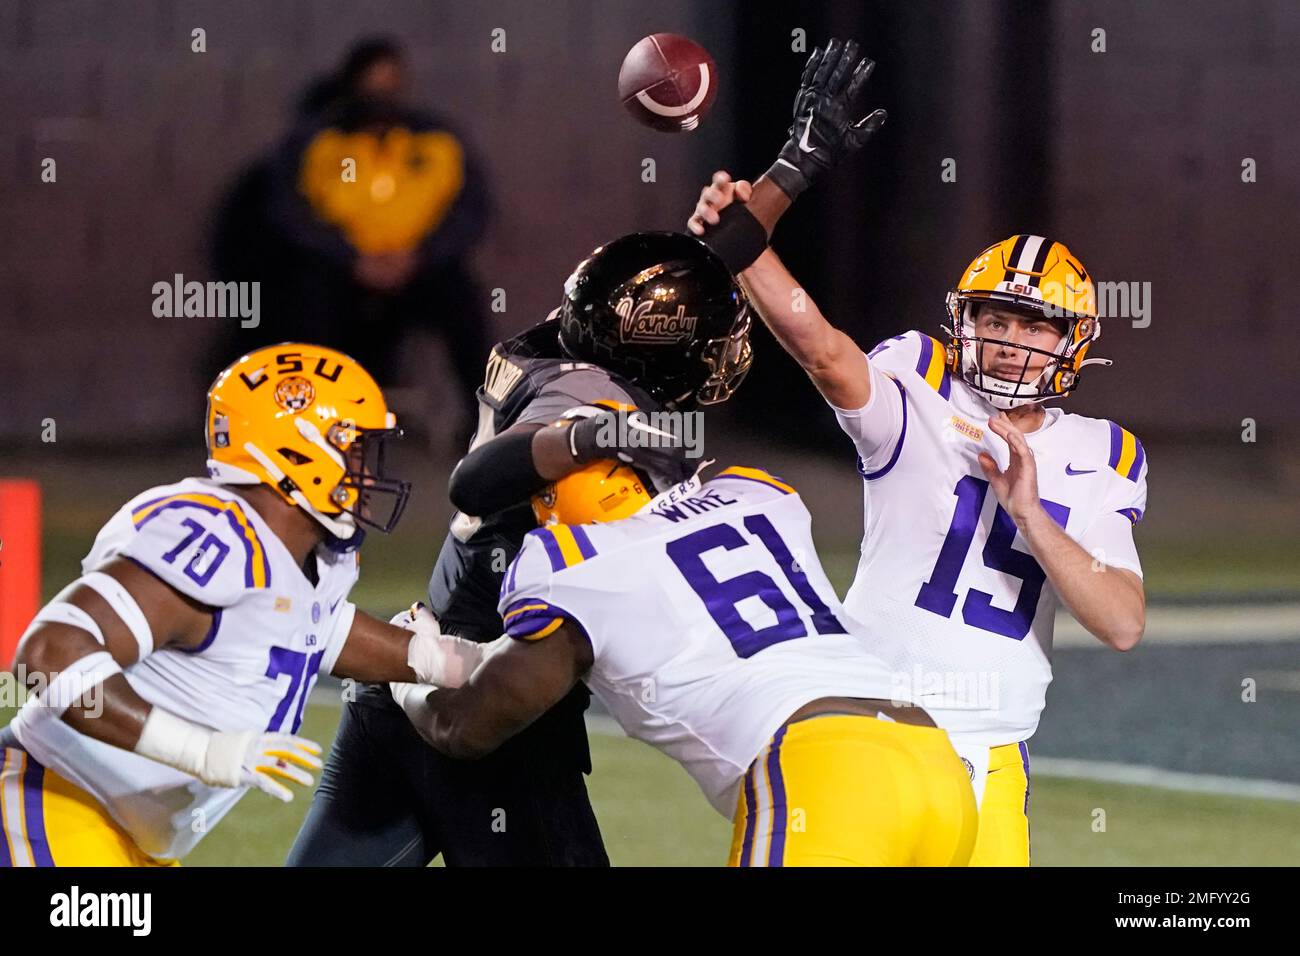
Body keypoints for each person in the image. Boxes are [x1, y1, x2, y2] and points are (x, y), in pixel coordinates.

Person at [686, 38, 1148, 866]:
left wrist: (1032, 515)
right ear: (963, 322)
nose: (1009, 342)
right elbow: (820, 348)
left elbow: (1119, 622)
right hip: (873, 727)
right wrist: (753, 226)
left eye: (1032, 325)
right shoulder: (923, 381)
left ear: (1073, 342)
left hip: (995, 754)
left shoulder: (1103, 452)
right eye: (994, 320)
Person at [287, 231, 755, 866]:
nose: (724, 353)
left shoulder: (568, 338)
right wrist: (597, 433)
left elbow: (653, 283)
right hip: (501, 707)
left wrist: (793, 171)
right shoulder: (597, 399)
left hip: (405, 673)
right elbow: (477, 481)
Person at [0, 344, 480, 866]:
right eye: (354, 447)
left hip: (134, 840)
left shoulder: (305, 555)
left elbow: (313, 630)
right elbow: (49, 653)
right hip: (54, 799)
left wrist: (446, 660)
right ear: (297, 452)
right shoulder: (215, 538)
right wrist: (202, 752)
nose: (367, 467)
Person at [391, 460, 978, 867]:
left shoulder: (572, 559)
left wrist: (409, 664)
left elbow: (468, 724)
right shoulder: (759, 494)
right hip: (940, 769)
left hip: (823, 773)